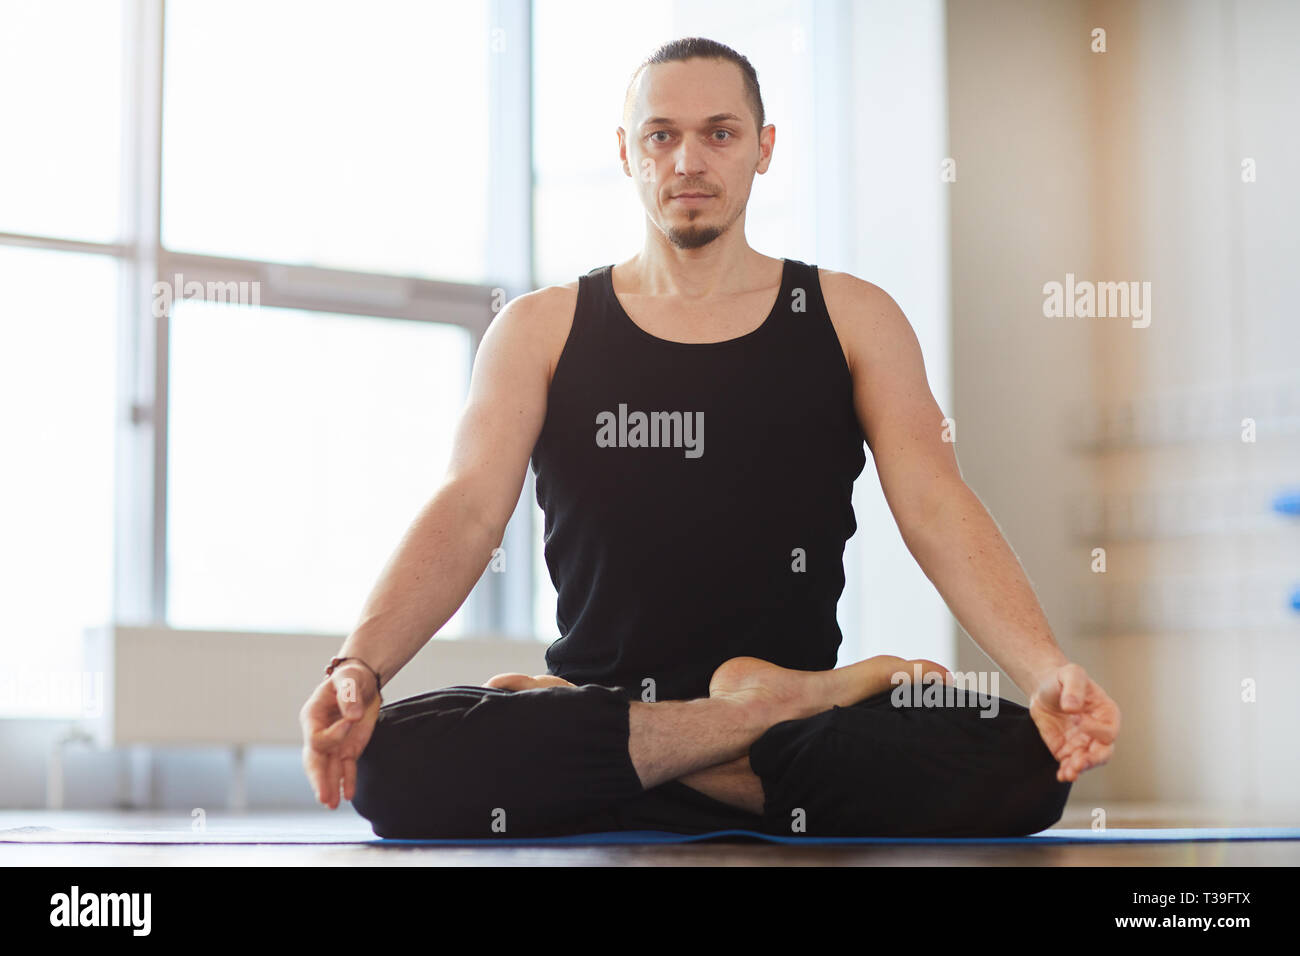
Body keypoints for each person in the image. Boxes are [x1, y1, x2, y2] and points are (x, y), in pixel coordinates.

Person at [299, 37, 1120, 839]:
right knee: (385, 765)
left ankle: (643, 762)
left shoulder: (853, 317)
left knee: (1027, 764)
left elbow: (936, 505)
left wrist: (1046, 671)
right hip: (652, 711)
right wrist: (358, 667)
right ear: (627, 152)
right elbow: (469, 509)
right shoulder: (539, 329)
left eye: (719, 134)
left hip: (683, 737)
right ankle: (748, 724)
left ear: (764, 148)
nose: (688, 161)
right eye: (662, 135)